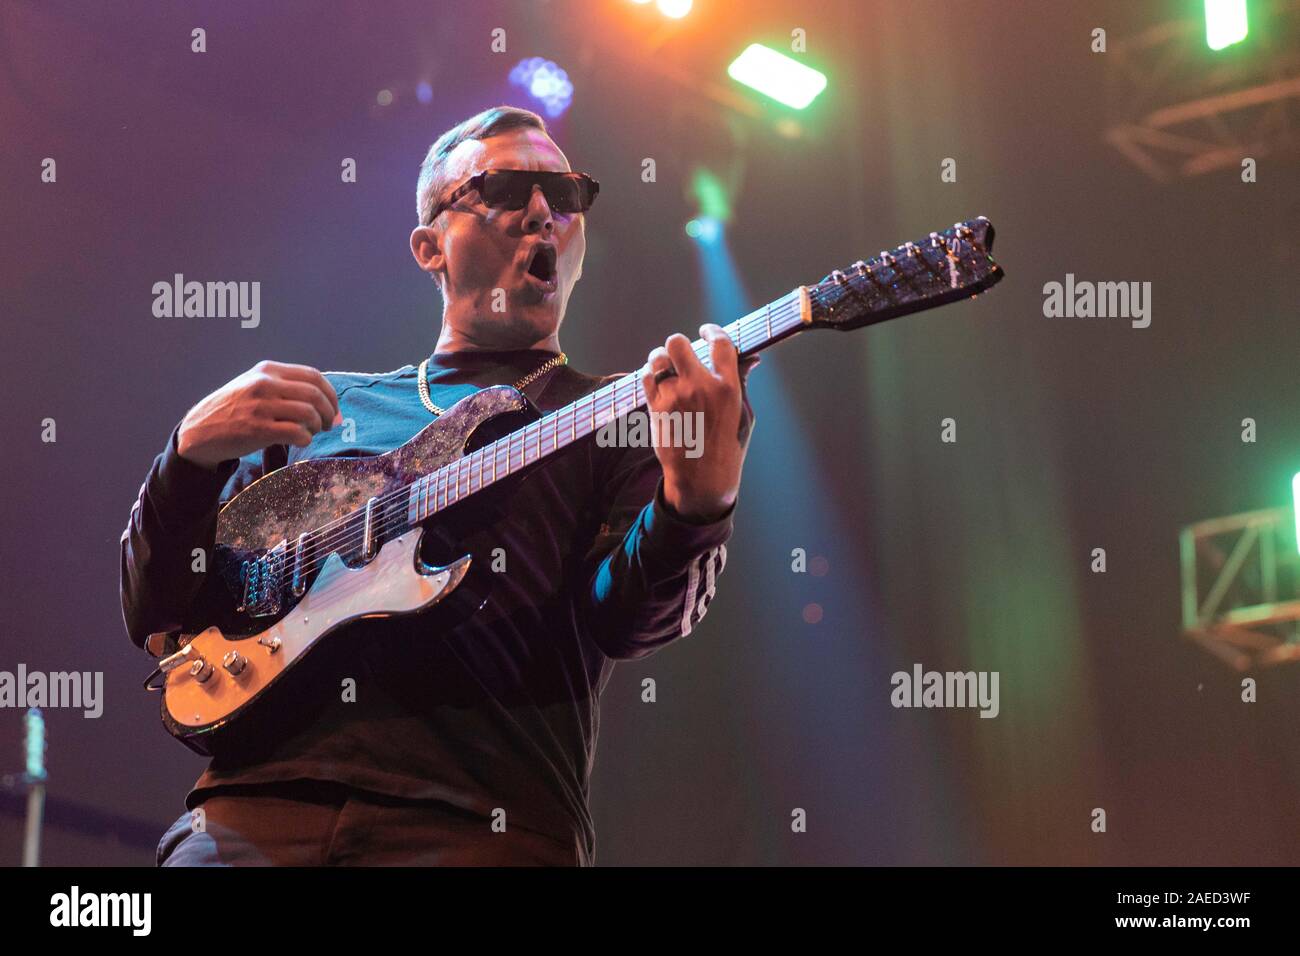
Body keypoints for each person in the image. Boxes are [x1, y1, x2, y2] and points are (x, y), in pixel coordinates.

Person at [122, 105, 760, 866]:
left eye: (564, 196)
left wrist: (697, 506)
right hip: (251, 815)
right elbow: (163, 613)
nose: (540, 212)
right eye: (505, 188)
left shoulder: (616, 415)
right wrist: (187, 456)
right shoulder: (326, 409)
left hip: (478, 827)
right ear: (430, 247)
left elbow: (626, 620)